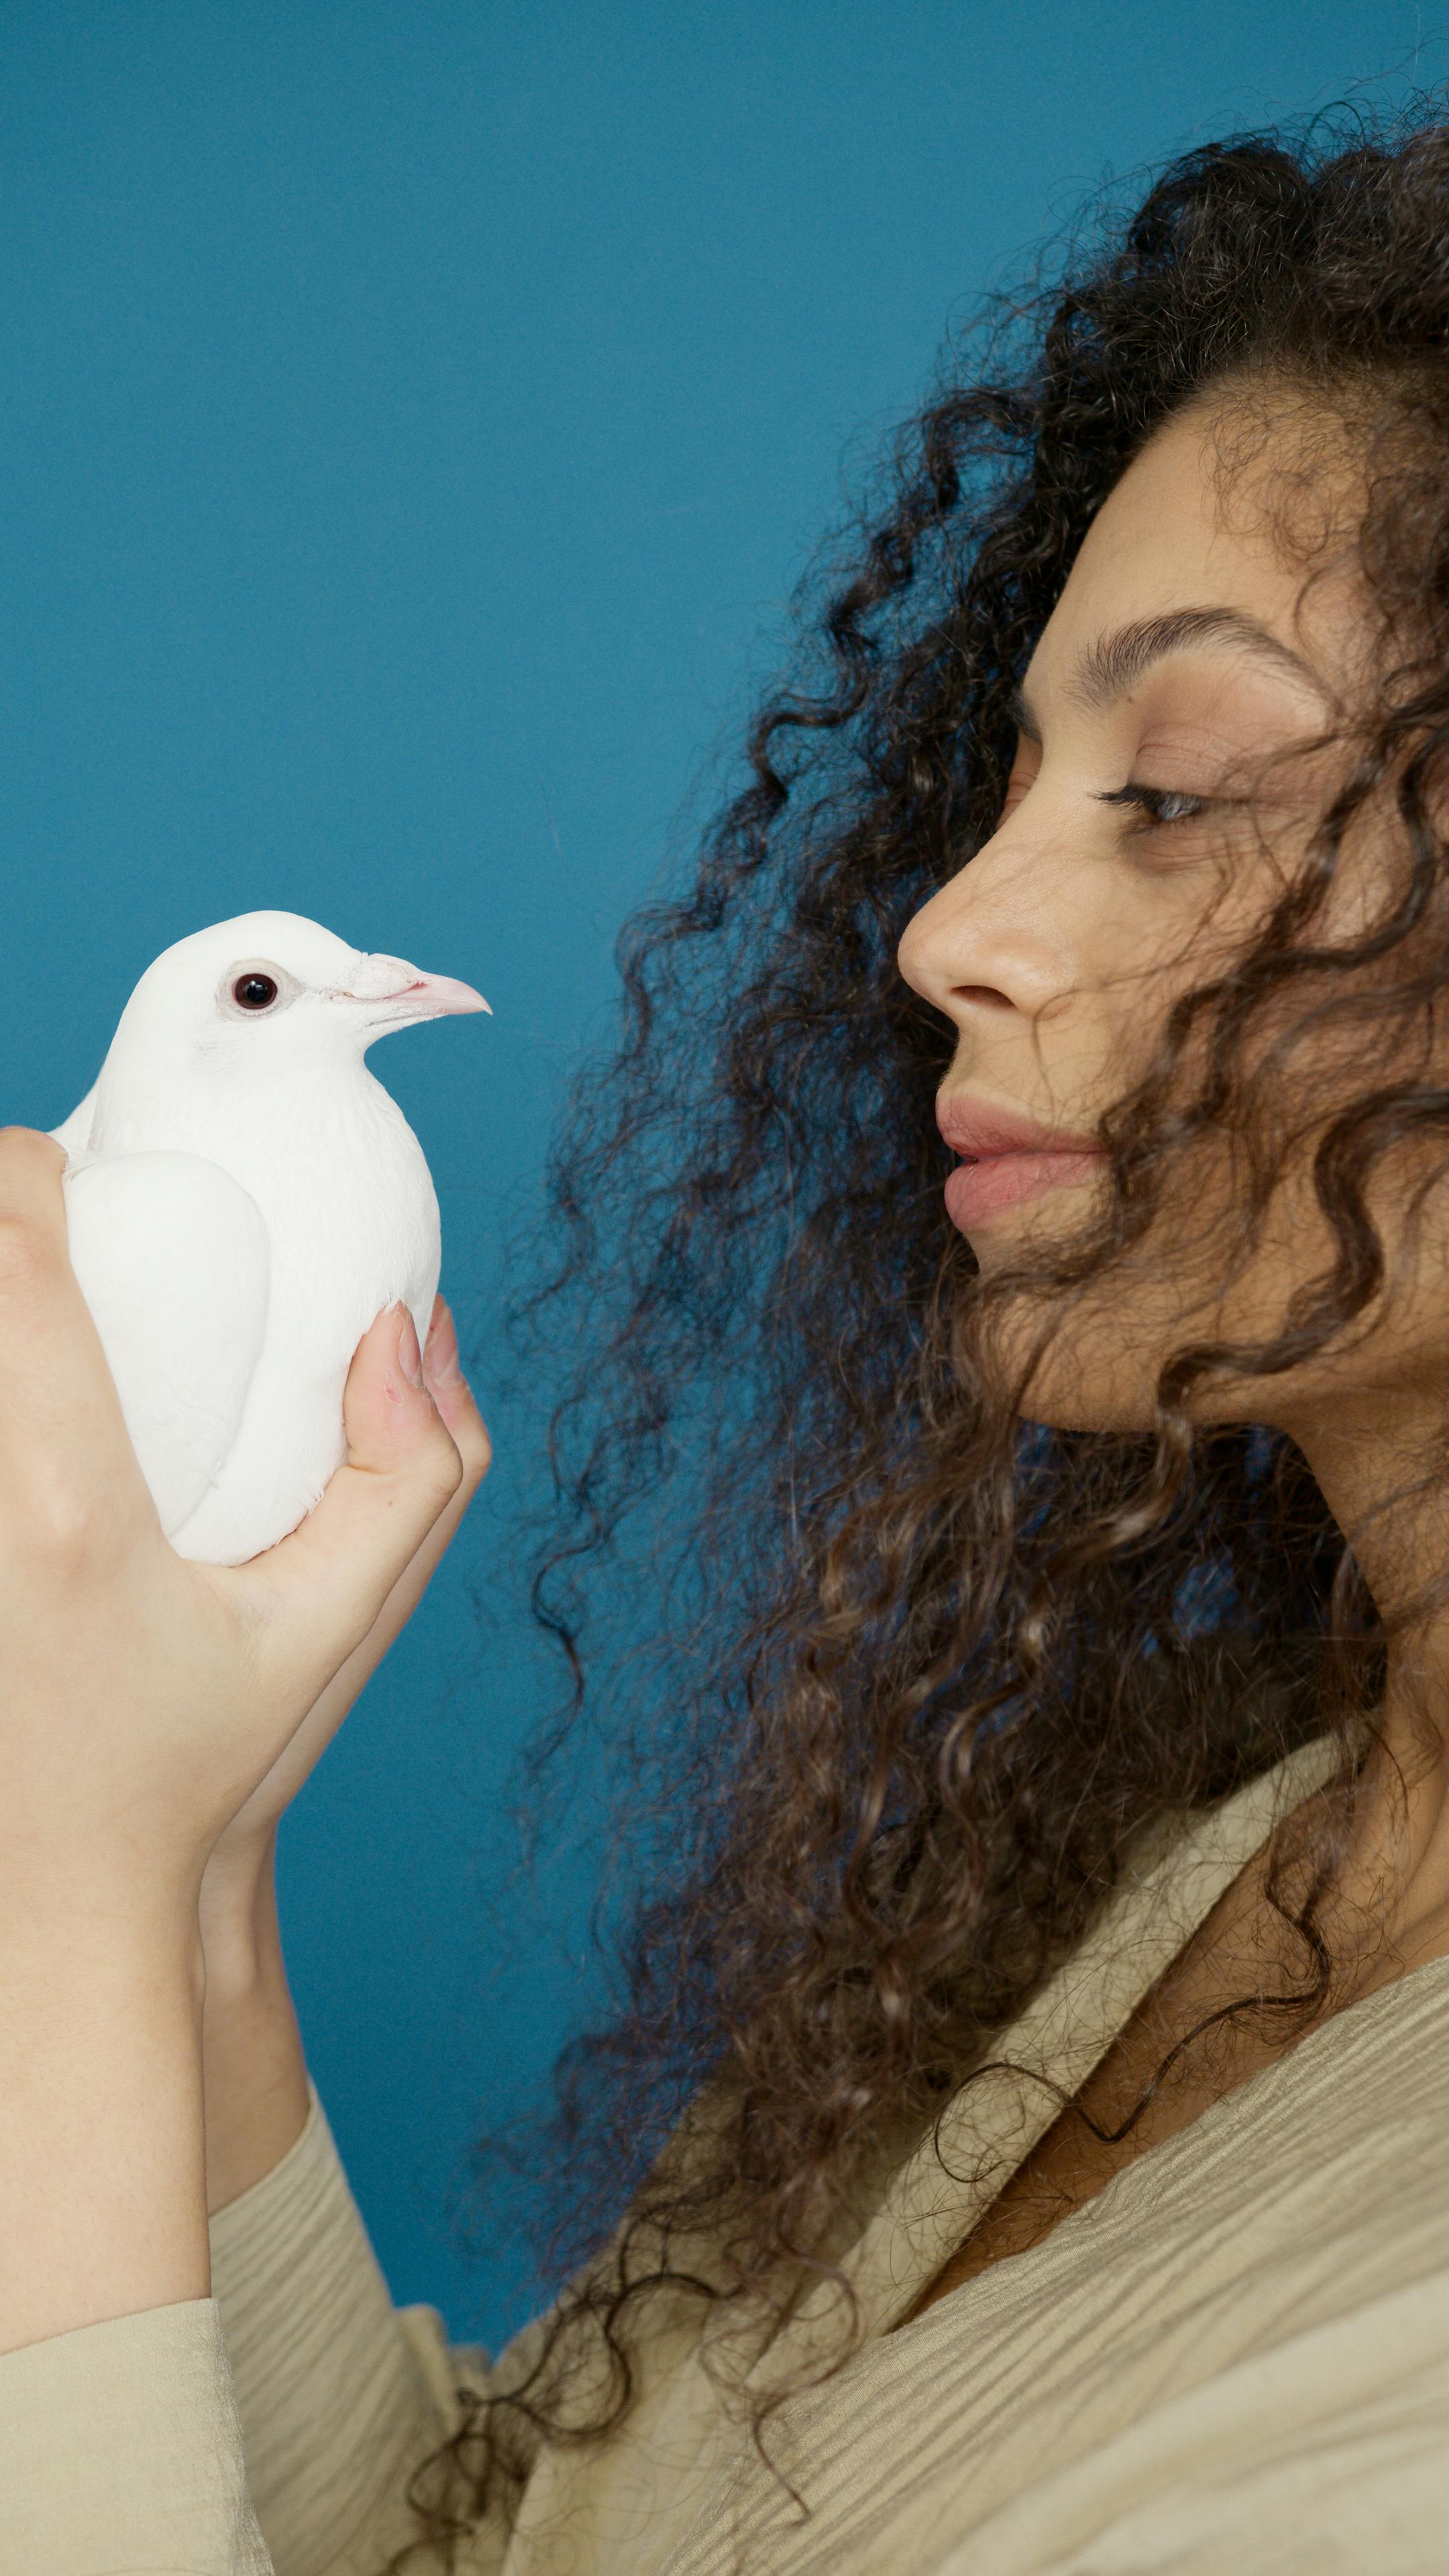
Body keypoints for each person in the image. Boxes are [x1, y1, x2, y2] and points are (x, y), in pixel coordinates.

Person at [8, 101, 1449, 2576]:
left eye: (1188, 791)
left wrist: (34, 1923)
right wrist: (185, 1888)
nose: (947, 927)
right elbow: (501, 2550)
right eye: (1018, 778)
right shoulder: (1219, 1866)